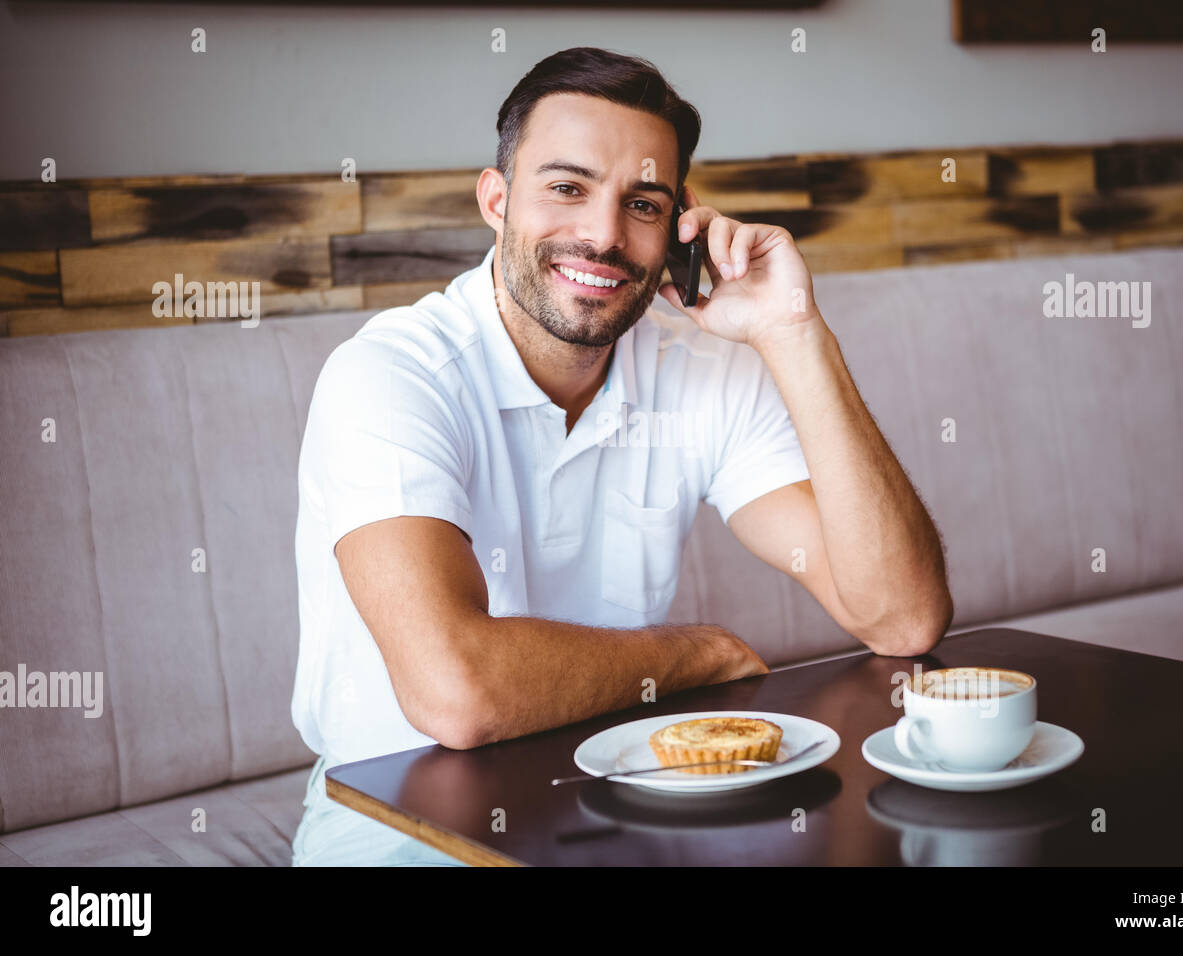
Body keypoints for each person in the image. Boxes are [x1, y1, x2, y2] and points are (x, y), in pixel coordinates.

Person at [290, 46, 953, 866]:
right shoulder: (390, 376)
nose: (603, 235)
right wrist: (695, 654)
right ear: (496, 200)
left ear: (679, 222)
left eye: (641, 203)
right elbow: (455, 691)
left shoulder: (700, 367)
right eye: (567, 188)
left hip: (629, 809)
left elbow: (902, 616)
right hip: (398, 830)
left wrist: (794, 335)